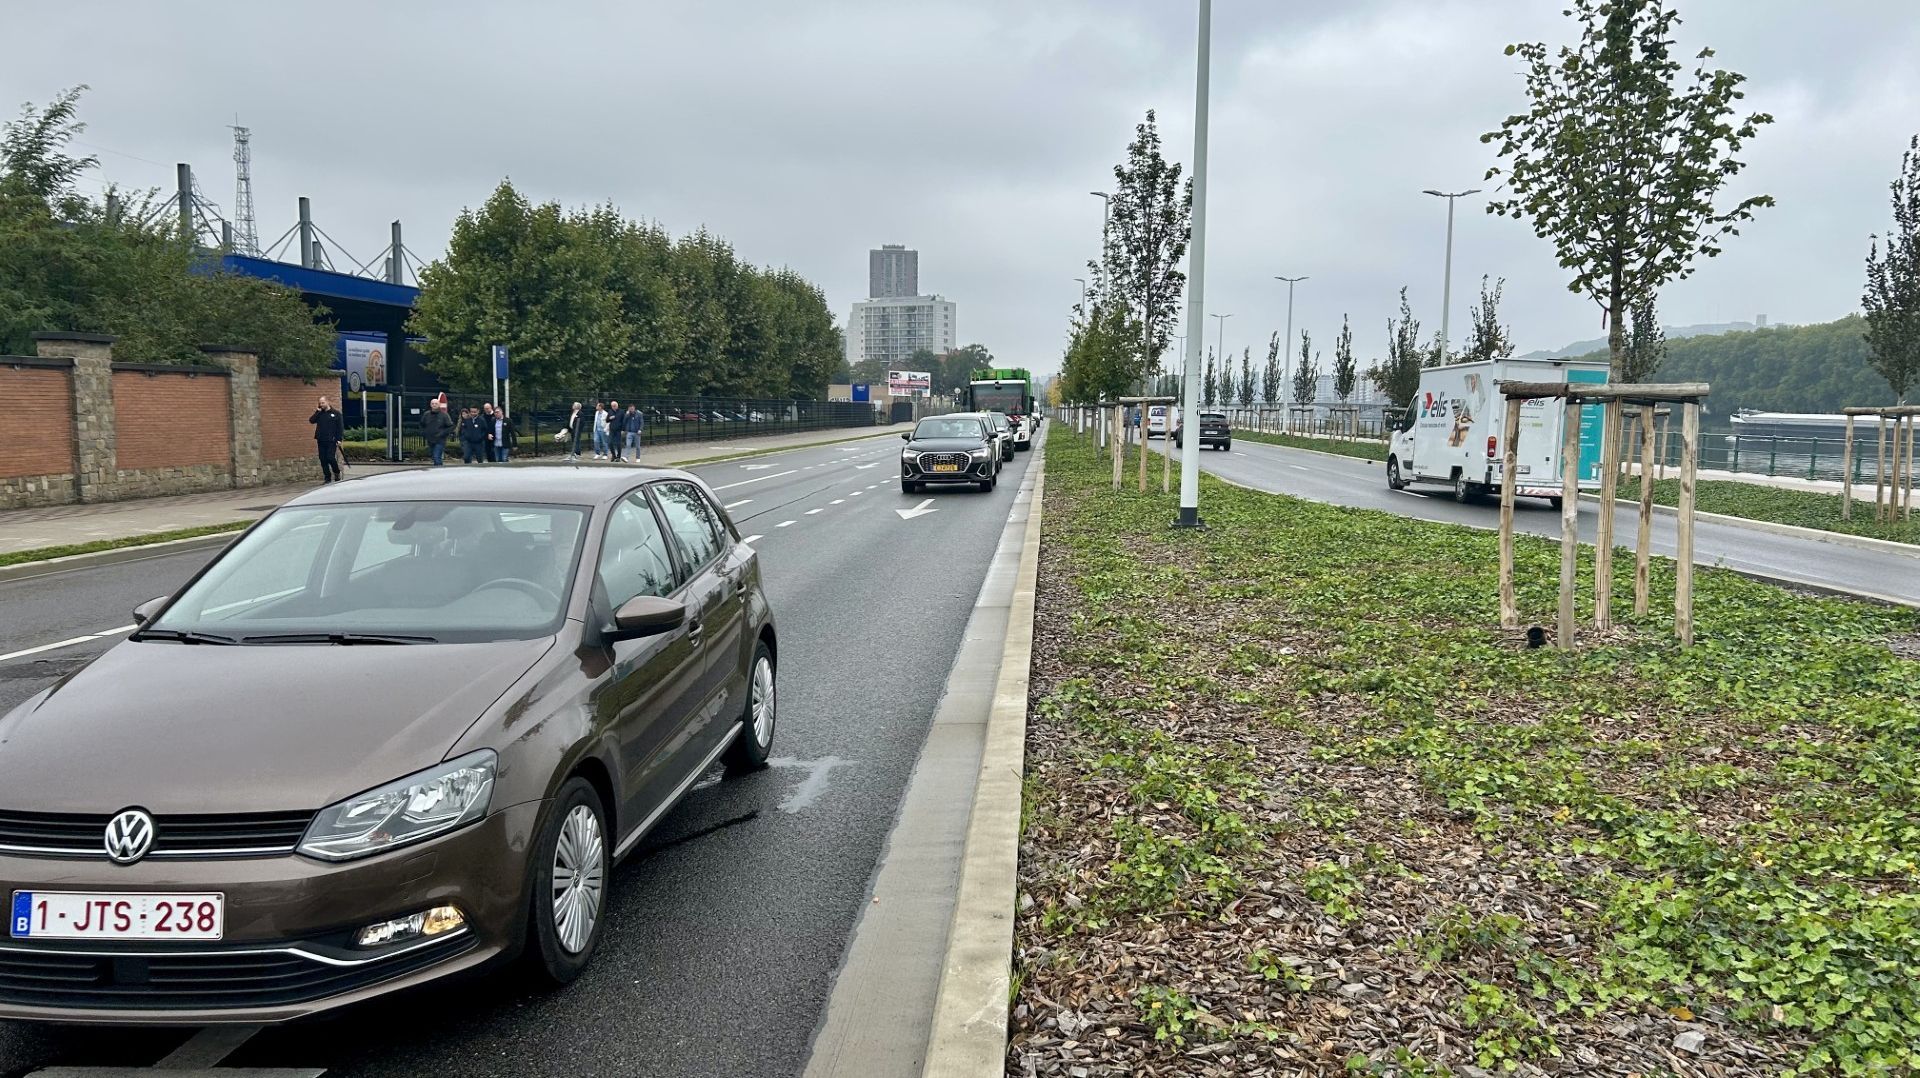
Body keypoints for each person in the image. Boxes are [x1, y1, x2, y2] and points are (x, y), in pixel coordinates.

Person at [310, 395, 345, 483]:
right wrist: (317, 412)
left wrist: (339, 439)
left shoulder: (336, 413)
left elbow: (340, 428)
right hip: (321, 439)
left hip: (331, 440)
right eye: (320, 403)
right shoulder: (319, 413)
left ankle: (336, 472)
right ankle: (327, 477)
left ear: (327, 402)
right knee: (323, 459)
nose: (321, 404)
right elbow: (311, 420)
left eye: (323, 403)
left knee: (330, 457)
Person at [420, 398, 454, 466]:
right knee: (434, 456)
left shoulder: (444, 415)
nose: (434, 405)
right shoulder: (426, 414)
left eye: (436, 403)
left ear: (439, 405)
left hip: (440, 440)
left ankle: (438, 470)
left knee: (437, 456)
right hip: (430, 439)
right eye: (433, 403)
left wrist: (443, 433)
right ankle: (439, 469)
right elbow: (422, 424)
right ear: (430, 405)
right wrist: (424, 433)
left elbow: (450, 426)